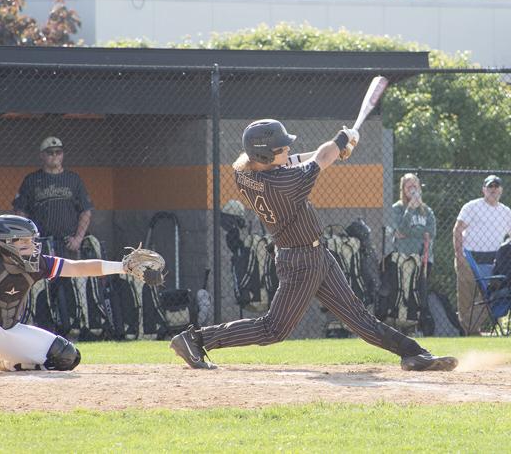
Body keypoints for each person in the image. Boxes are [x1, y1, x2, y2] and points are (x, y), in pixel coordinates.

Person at [169, 119, 457, 371]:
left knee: (358, 317)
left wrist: (337, 149)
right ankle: (196, 339)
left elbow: (299, 159)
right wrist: (342, 139)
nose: (288, 150)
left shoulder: (244, 172)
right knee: (273, 329)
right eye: (281, 147)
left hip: (314, 254)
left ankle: (413, 353)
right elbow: (320, 157)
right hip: (301, 262)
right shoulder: (284, 184)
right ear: (265, 155)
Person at [0, 214, 145, 374]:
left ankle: (13, 364)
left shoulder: (37, 264)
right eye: (25, 242)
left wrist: (123, 267)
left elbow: (77, 268)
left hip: (8, 331)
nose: (33, 246)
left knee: (67, 356)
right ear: (7, 243)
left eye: (32, 241)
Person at [453, 174, 511, 336]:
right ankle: (471, 331)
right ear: (484, 189)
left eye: (496, 186)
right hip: (469, 257)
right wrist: (459, 255)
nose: (493, 190)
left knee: (489, 295)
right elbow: (458, 229)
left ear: (501, 190)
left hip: (495, 260)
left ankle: (466, 329)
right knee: (466, 298)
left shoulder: (506, 211)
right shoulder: (472, 206)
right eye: (490, 187)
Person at [12, 136, 92, 258]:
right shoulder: (31, 180)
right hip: (41, 242)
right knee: (41, 271)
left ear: (63, 154)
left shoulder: (74, 179)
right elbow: (20, 211)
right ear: (42, 155)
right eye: (50, 152)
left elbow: (85, 211)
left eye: (58, 152)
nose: (55, 155)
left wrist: (78, 239)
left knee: (68, 271)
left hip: (68, 243)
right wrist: (27, 239)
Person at [390, 173, 436, 268]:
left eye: (415, 186)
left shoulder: (427, 210)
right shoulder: (397, 208)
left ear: (419, 188)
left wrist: (409, 232)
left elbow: (432, 232)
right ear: (403, 189)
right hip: (403, 258)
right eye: (409, 187)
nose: (412, 190)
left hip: (424, 258)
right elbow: (402, 230)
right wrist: (410, 209)